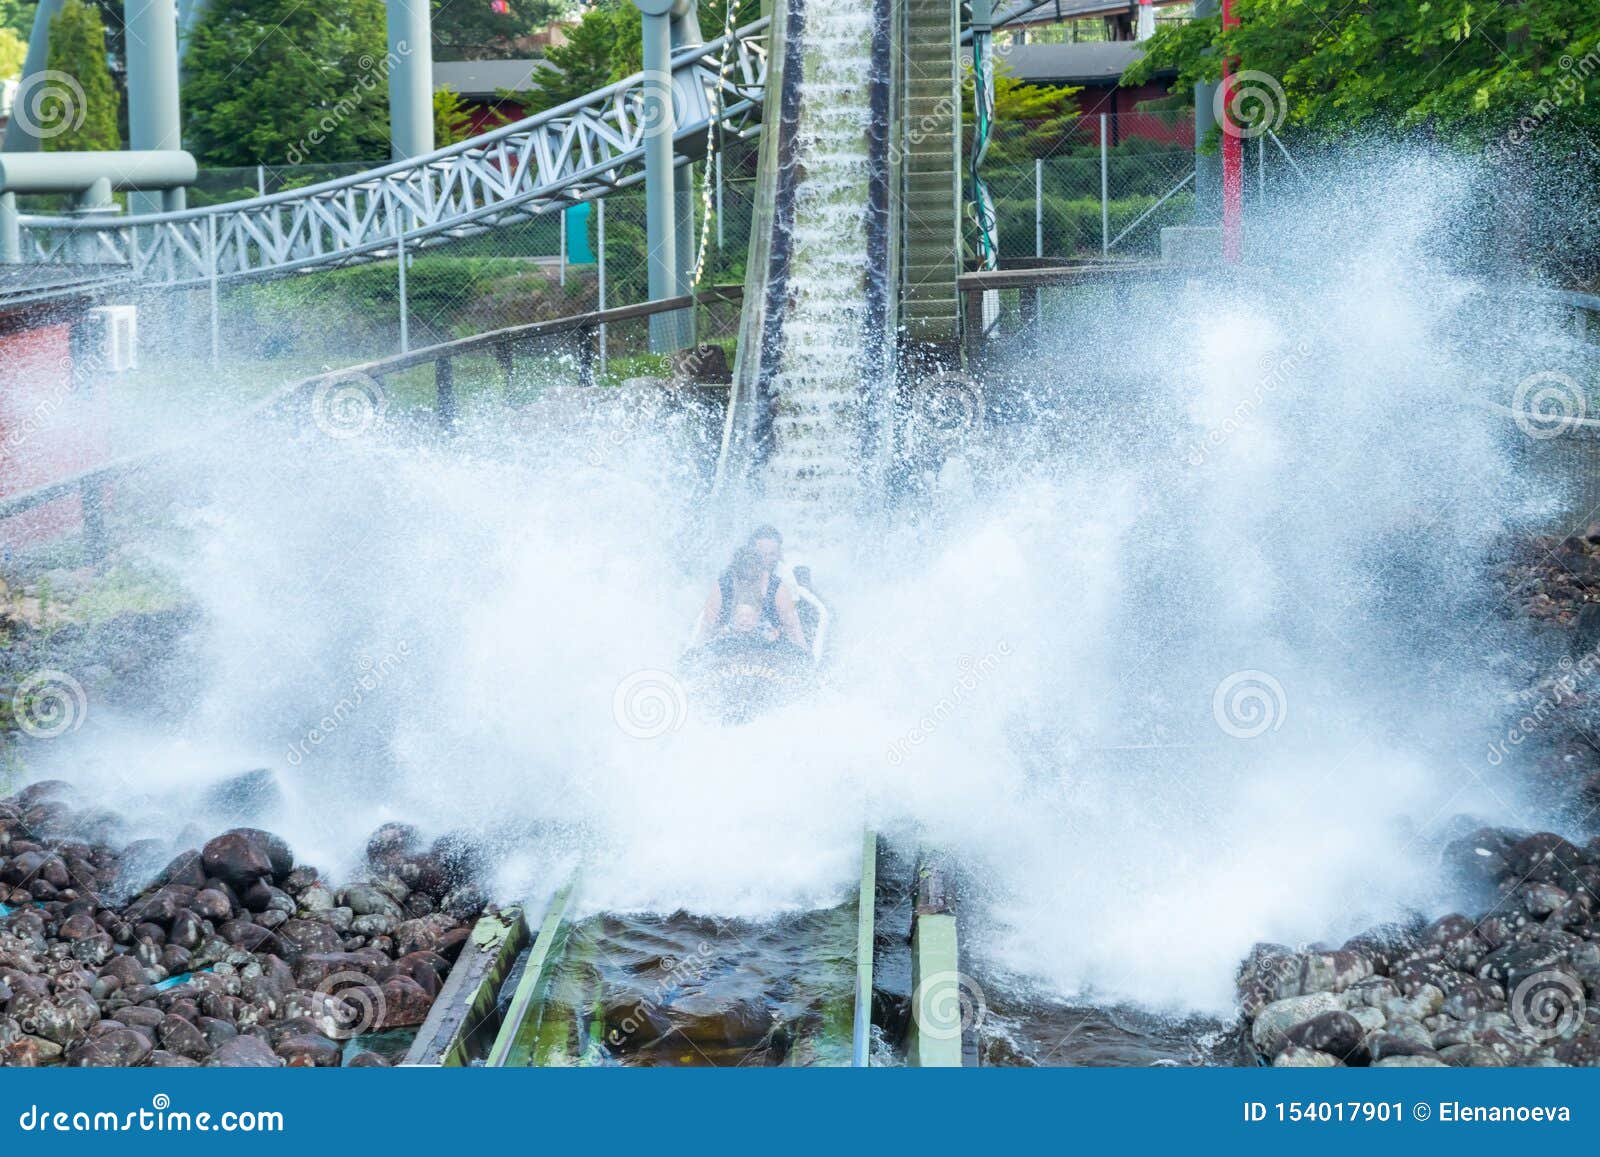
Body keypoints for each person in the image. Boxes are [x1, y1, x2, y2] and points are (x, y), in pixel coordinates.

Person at [696, 544, 807, 650]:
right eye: (743, 577)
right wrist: (697, 652)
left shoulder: (776, 587)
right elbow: (707, 627)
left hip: (769, 650)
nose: (747, 582)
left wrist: (803, 652)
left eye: (753, 578)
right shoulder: (723, 585)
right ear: (734, 572)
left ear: (762, 571)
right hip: (728, 650)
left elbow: (792, 625)